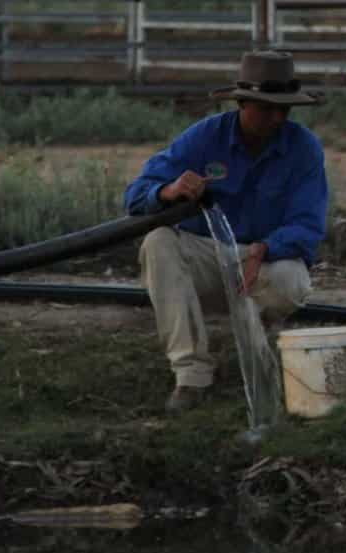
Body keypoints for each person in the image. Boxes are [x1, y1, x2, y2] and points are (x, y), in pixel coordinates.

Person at [124, 49, 329, 413]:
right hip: (208, 256)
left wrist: (265, 248)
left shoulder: (304, 148)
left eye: (284, 109)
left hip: (265, 259)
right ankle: (190, 375)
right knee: (158, 242)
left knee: (292, 281)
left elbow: (308, 224)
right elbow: (135, 195)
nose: (277, 117)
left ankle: (260, 338)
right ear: (242, 104)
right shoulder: (205, 137)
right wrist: (168, 191)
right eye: (267, 108)